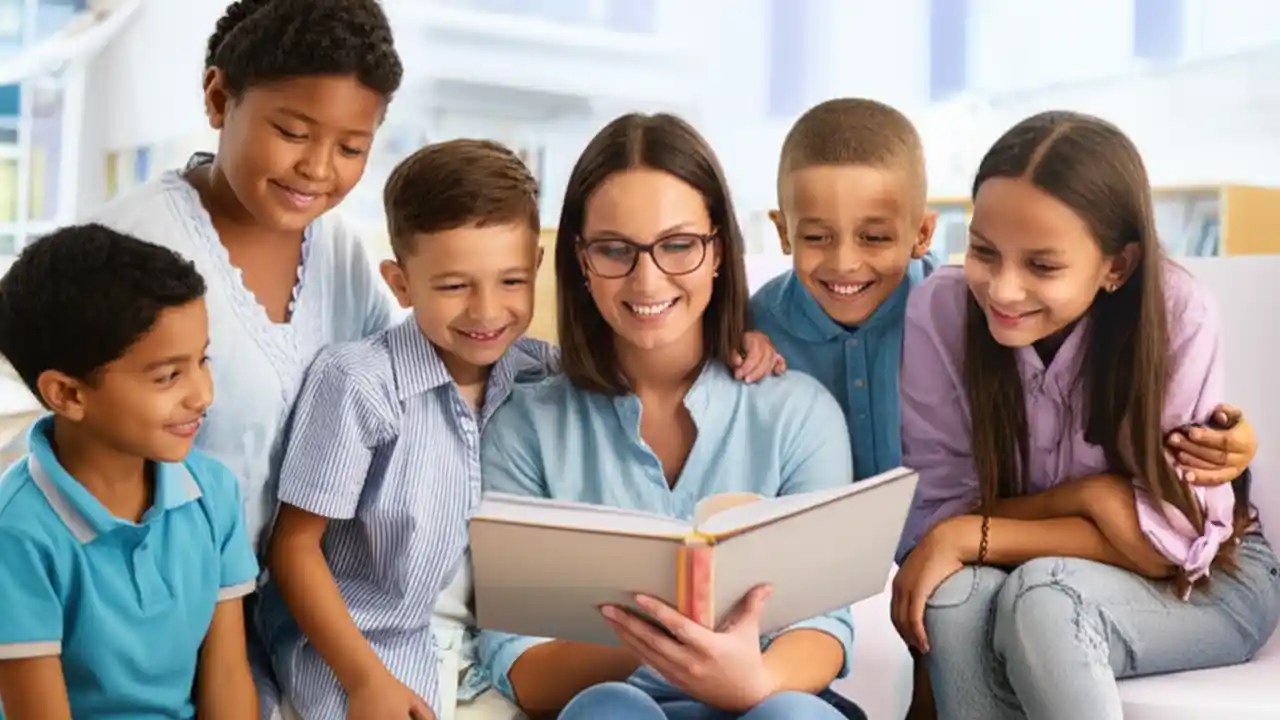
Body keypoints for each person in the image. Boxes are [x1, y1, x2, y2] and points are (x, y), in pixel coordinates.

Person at [890, 110, 1279, 720]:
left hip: (1208, 584)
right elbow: (941, 514)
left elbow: (1170, 544)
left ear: (1115, 266)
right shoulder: (940, 310)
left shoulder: (1176, 313)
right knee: (955, 599)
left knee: (1044, 597)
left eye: (1042, 266)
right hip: (1032, 568)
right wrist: (1094, 500)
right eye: (984, 252)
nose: (1003, 289)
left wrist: (977, 532)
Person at [476, 113, 860, 720]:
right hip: (608, 707)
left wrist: (750, 683)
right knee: (608, 710)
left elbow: (824, 627)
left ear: (717, 251)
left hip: (769, 698)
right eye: (614, 250)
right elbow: (521, 666)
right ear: (581, 259)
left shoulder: (797, 412)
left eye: (678, 245)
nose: (647, 278)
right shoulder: (527, 426)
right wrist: (651, 625)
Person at [0, 225, 259, 719]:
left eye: (202, 361)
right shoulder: (15, 534)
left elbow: (226, 674)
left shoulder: (213, 493)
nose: (202, 394)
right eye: (168, 376)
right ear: (69, 395)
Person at [750, 98, 936, 480]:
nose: (844, 263)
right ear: (784, 232)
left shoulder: (956, 314)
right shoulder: (754, 325)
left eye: (874, 237)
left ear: (922, 234)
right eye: (817, 236)